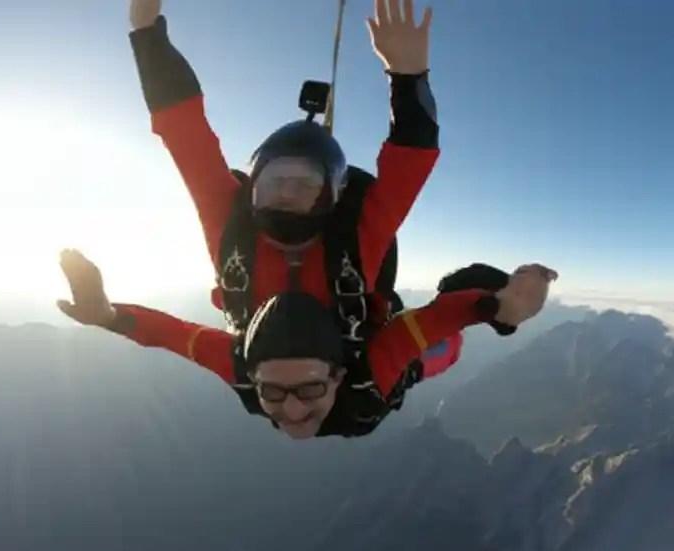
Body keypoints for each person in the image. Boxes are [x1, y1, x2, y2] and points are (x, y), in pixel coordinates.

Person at [126, 0, 440, 349]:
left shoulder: (356, 234)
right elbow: (186, 135)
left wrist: (408, 77)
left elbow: (184, 131)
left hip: (347, 372)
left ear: (332, 196)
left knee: (446, 339)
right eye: (276, 181)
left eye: (305, 184)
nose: (287, 193)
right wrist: (146, 36)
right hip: (273, 377)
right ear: (254, 187)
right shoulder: (231, 219)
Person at [56, 248, 558, 439]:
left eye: (288, 394)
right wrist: (108, 316)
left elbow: (173, 337)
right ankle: (485, 288)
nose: (291, 408)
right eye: (278, 393)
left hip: (410, 349)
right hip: (400, 355)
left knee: (437, 330)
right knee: (427, 329)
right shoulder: (369, 375)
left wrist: (492, 312)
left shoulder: (244, 367)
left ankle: (485, 287)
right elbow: (428, 326)